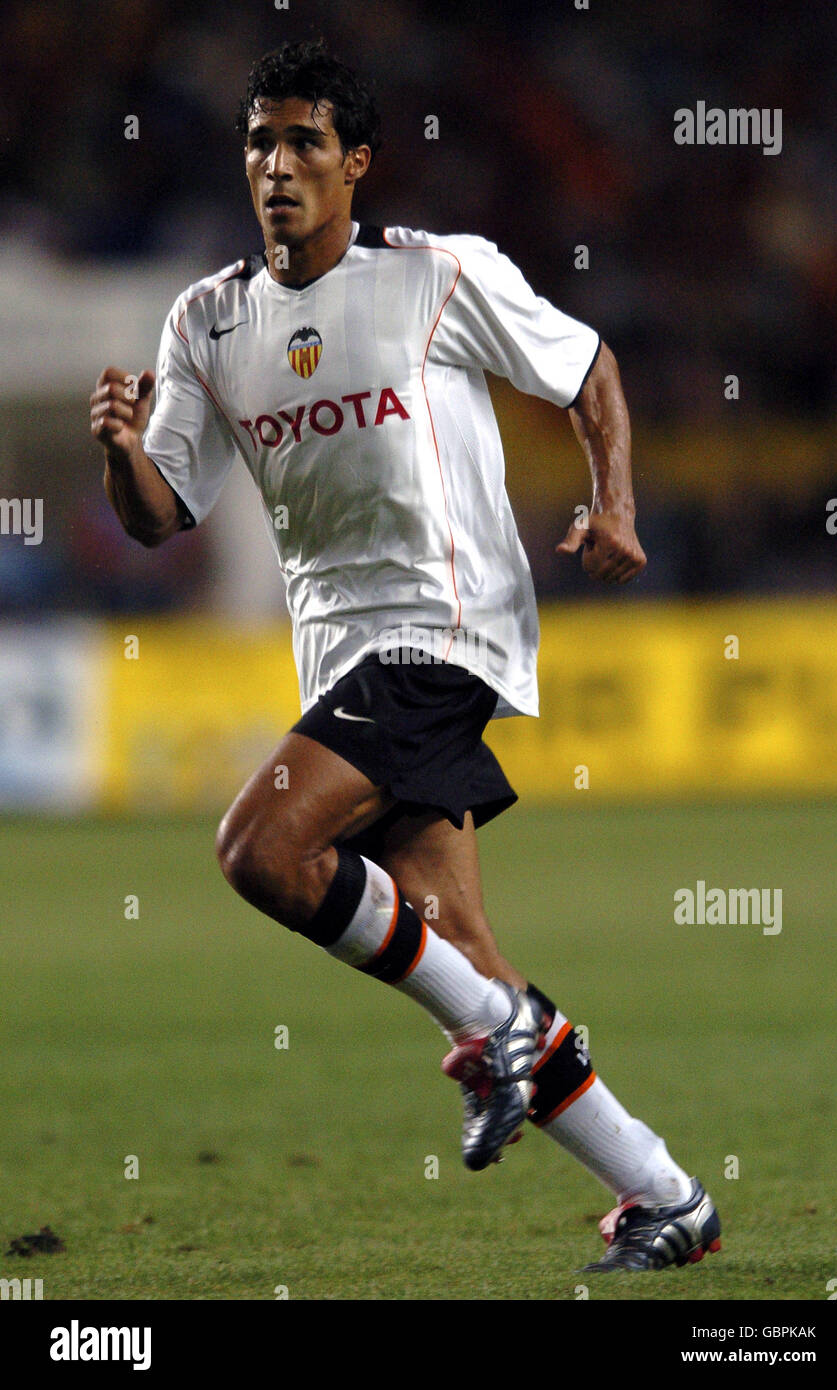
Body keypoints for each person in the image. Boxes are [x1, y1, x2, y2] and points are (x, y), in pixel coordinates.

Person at [90, 37, 720, 1273]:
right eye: (261, 141)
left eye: (306, 142)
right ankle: (667, 1196)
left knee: (260, 846)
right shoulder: (209, 320)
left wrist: (616, 504)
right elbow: (163, 513)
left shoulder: (434, 276)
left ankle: (493, 1033)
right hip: (339, 660)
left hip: (443, 626)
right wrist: (120, 450)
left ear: (356, 164)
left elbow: (586, 365)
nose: (277, 165)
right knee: (460, 949)